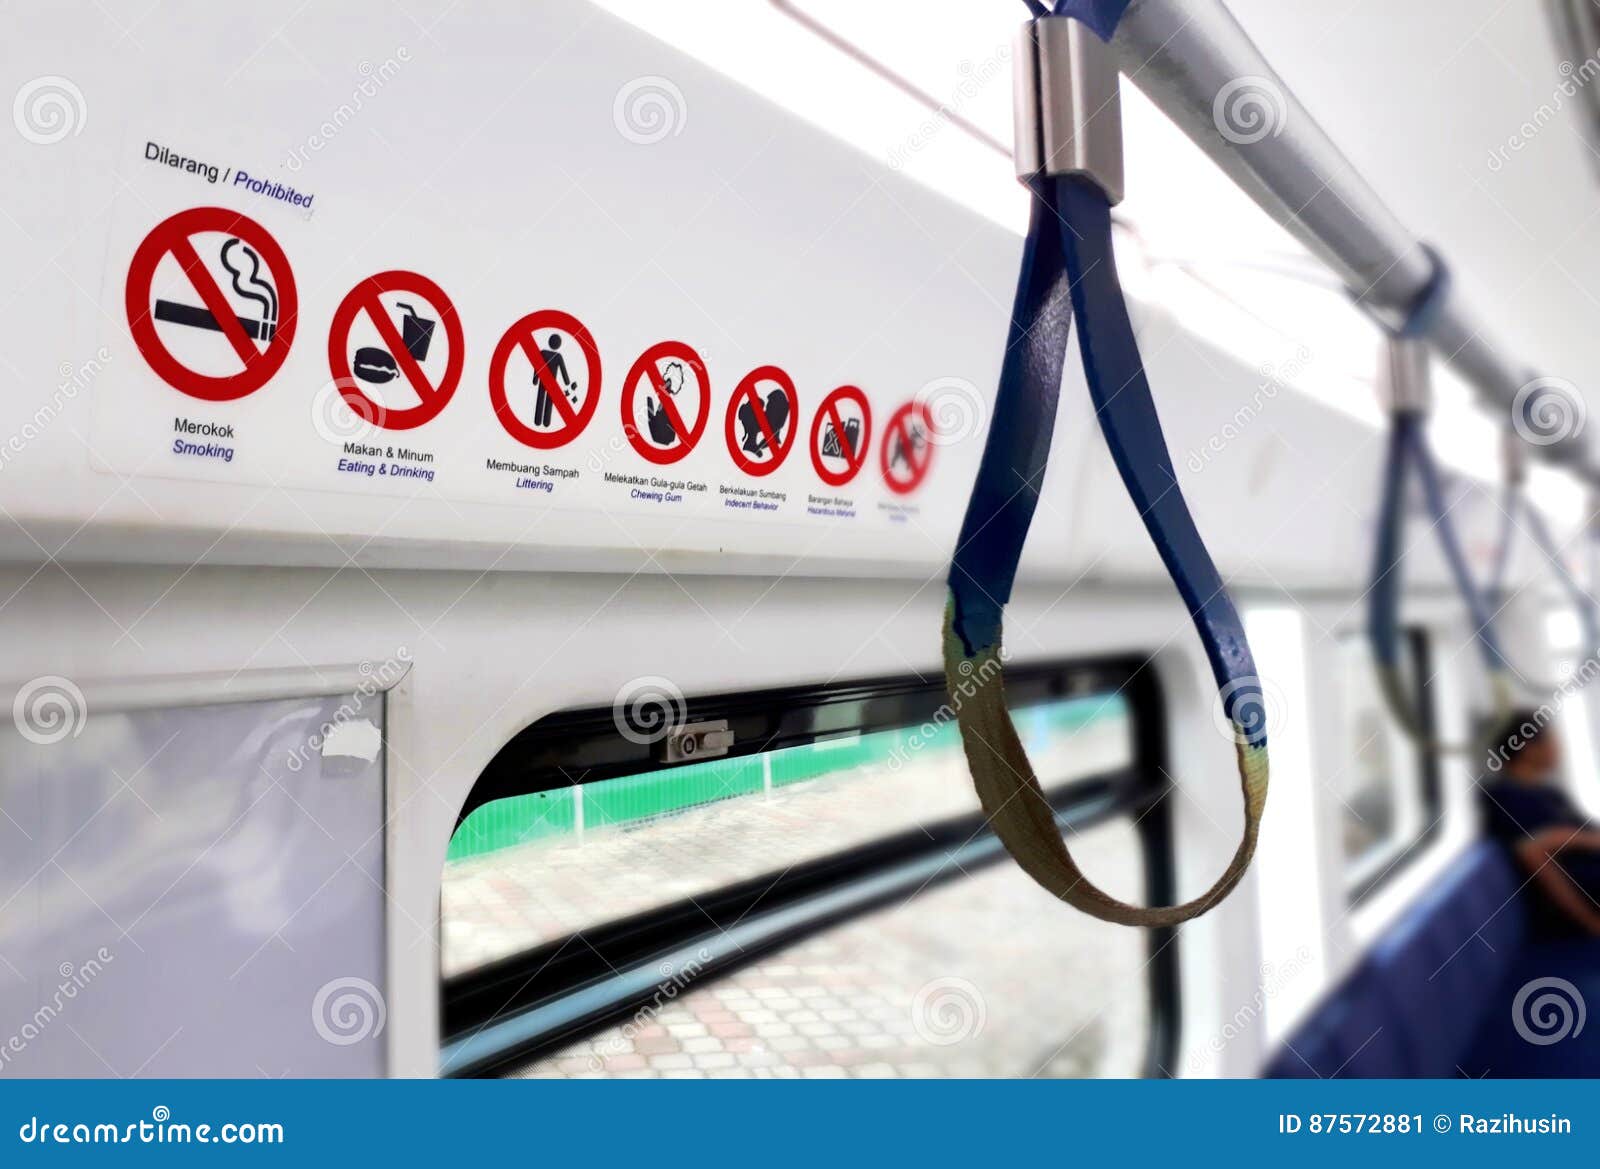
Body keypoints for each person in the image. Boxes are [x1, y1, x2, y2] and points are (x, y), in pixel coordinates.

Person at [1479, 709, 1600, 935]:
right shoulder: (1506, 797)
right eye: (1553, 741)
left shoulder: (1550, 793)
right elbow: (1533, 851)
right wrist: (1592, 923)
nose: (1559, 749)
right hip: (1577, 906)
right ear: (1529, 749)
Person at [533, 334, 576, 428]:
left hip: (543, 380)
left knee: (540, 399)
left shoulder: (543, 353)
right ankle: (546, 422)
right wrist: (567, 382)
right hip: (552, 383)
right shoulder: (558, 356)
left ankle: (538, 420)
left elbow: (537, 367)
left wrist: (535, 379)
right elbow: (563, 371)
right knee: (549, 402)